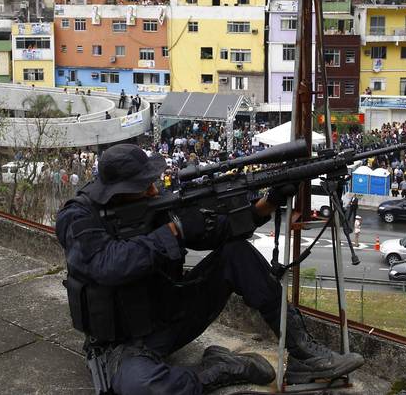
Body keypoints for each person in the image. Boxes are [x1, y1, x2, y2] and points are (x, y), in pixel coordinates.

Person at [56, 144, 363, 394]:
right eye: (143, 185)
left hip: (171, 317)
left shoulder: (157, 205)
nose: (152, 189)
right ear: (118, 191)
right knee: (143, 388)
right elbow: (106, 265)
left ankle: (304, 355)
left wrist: (269, 202)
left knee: (236, 254)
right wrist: (173, 232)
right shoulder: (78, 218)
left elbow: (221, 232)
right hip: (120, 344)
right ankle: (219, 369)